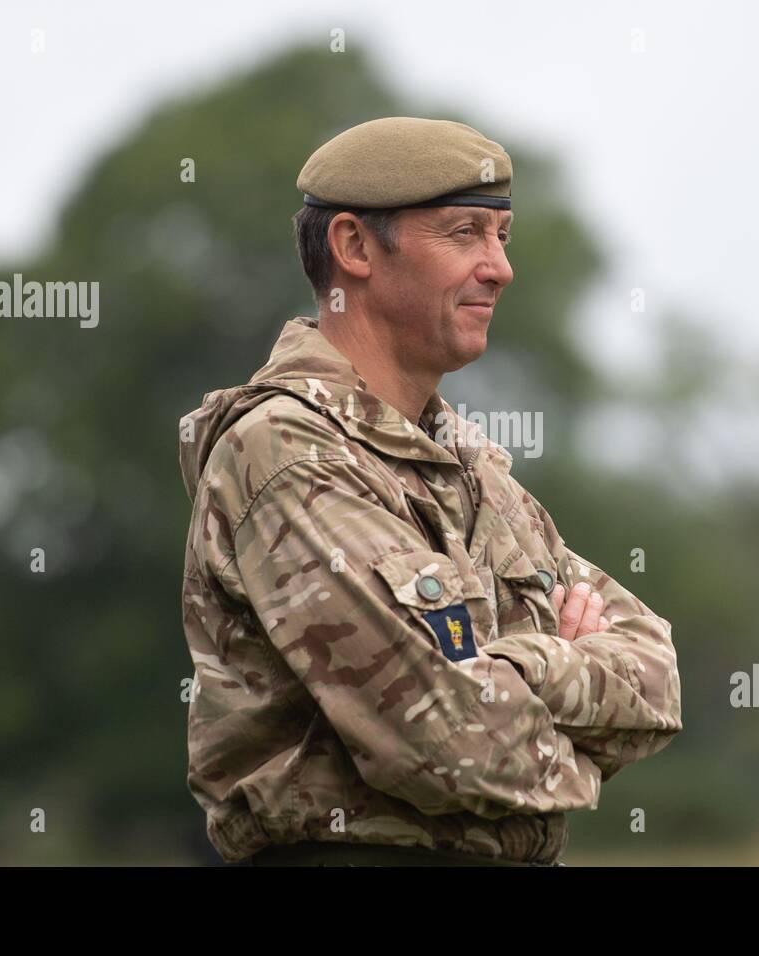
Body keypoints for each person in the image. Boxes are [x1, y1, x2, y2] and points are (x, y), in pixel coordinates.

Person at [177, 116, 681, 867]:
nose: (499, 267)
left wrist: (520, 671)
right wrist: (565, 666)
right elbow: (450, 744)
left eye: (502, 237)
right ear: (353, 248)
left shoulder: (467, 467)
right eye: (465, 233)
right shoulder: (284, 452)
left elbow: (657, 681)